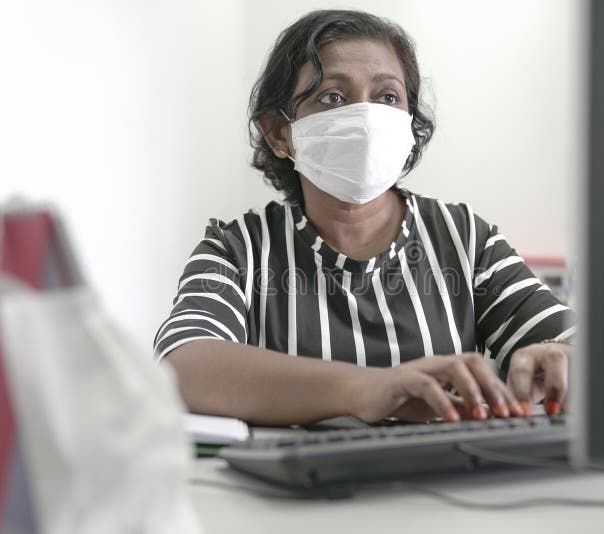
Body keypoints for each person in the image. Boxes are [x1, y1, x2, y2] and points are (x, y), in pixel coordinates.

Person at [154, 9, 575, 426]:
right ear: (279, 133)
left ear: (410, 125)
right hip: (293, 491)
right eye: (333, 97)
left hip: (446, 481)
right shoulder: (237, 249)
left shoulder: (465, 240)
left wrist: (564, 357)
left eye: (387, 97)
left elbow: (583, 350)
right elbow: (184, 366)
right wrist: (368, 388)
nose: (366, 119)